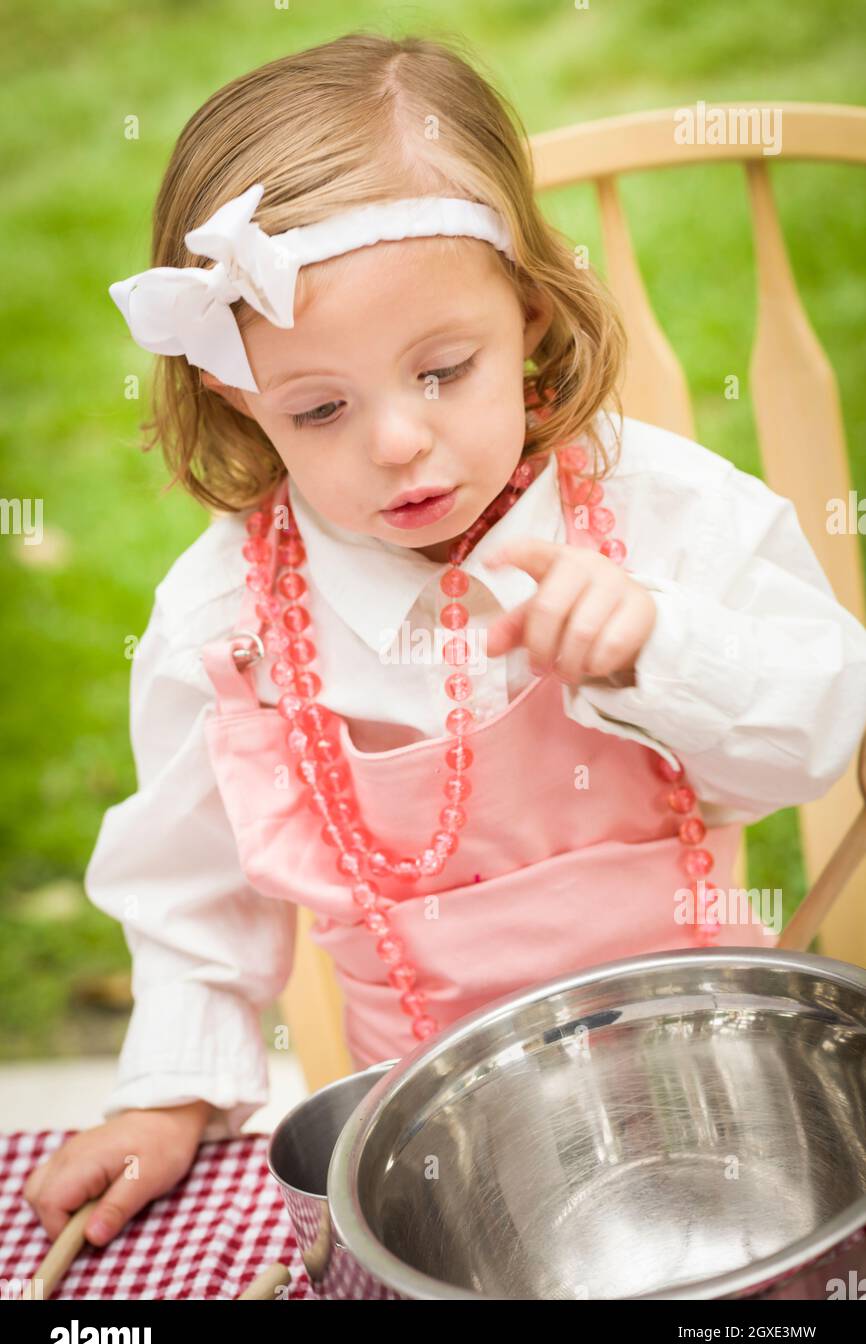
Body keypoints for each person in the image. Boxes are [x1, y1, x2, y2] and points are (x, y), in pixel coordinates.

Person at [25, 32, 866, 1253]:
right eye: (319, 407)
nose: (397, 444)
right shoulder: (231, 626)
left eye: (441, 369)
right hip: (450, 1176)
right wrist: (166, 1087)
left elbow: (818, 730)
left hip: (719, 1119)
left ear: (528, 313)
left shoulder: (662, 517)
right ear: (236, 395)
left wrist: (657, 654)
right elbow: (189, 893)